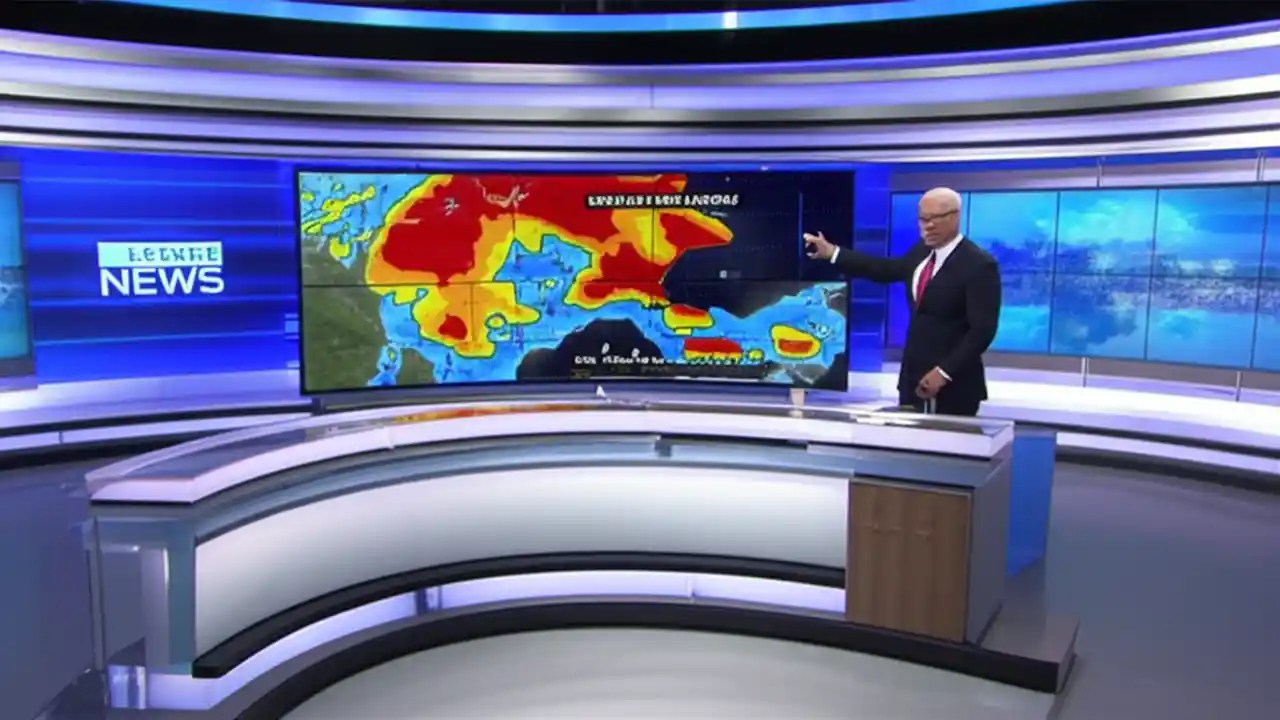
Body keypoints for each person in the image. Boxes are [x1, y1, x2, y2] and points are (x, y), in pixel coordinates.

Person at [803, 187, 1001, 417]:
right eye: (923, 219)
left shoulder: (979, 265)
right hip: (913, 380)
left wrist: (944, 372)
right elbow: (885, 270)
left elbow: (982, 331)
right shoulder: (921, 252)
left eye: (935, 218)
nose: (928, 226)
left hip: (955, 387)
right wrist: (833, 253)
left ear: (955, 216)